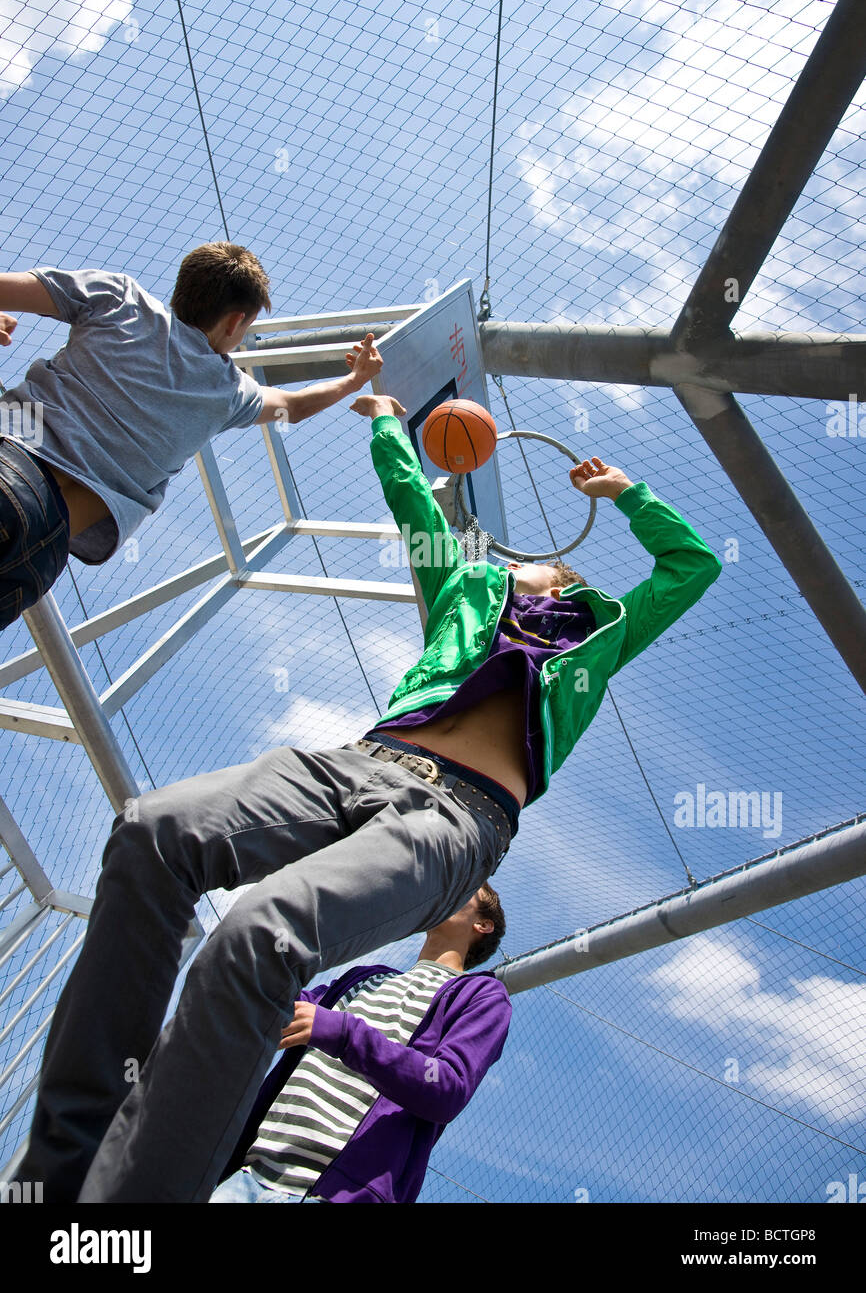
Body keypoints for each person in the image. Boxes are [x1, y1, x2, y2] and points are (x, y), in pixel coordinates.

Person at [15, 340, 722, 1203]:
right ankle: (55, 1186)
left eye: (534, 566)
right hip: (359, 764)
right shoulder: (472, 589)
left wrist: (624, 494)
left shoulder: (603, 634)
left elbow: (694, 566)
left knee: (259, 934)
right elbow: (415, 511)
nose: (514, 566)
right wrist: (389, 421)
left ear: (564, 581)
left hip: (456, 817)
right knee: (154, 831)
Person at [0, 244, 381, 630]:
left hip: (11, 463)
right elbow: (294, 408)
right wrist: (354, 380)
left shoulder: (120, 298)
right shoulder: (230, 391)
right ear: (234, 323)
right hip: (41, 546)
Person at [209, 883, 509, 1204]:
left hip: (338, 1196)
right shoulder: (366, 977)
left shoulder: (481, 996)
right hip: (248, 1177)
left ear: (483, 924)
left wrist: (343, 1034)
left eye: (466, 886)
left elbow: (448, 1087)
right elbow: (274, 1010)